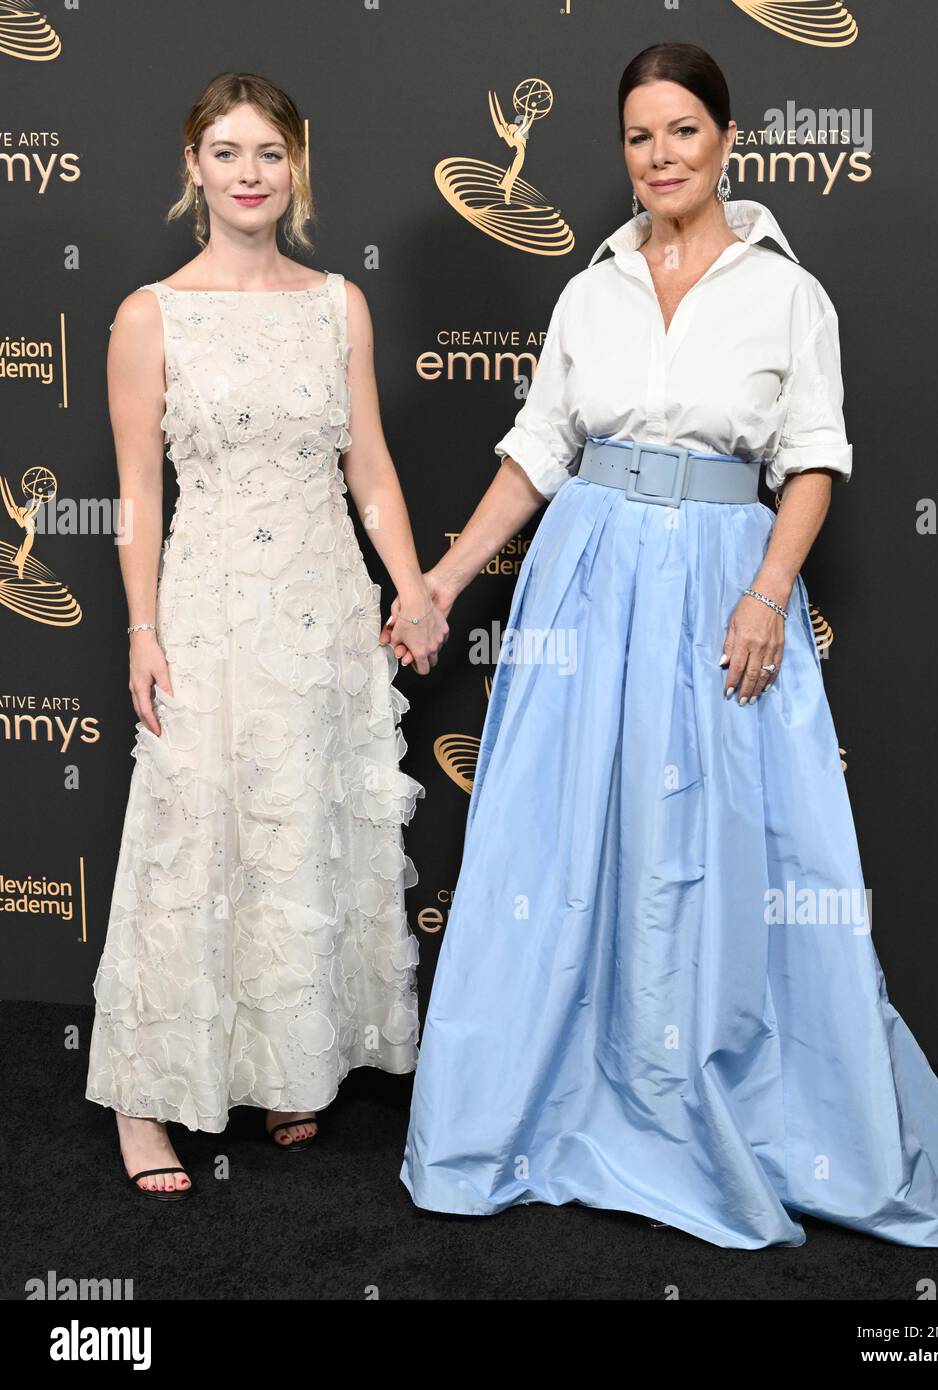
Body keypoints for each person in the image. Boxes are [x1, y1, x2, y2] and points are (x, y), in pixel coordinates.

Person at [394, 42, 938, 1248]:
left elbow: (813, 459)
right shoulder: (592, 287)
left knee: (724, 846)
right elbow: (534, 455)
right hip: (584, 584)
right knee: (562, 833)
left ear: (726, 137)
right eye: (636, 135)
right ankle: (545, 1097)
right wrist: (439, 581)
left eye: (680, 130)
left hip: (723, 583)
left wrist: (769, 595)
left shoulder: (786, 290)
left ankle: (723, 1095)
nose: (659, 155)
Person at [86, 72, 446, 1200]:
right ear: (192, 165)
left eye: (270, 155)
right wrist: (142, 628)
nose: (250, 175)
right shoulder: (150, 315)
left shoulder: (338, 302)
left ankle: (290, 1063)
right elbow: (137, 494)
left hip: (325, 607)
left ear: (297, 169)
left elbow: (369, 462)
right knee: (194, 837)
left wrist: (410, 586)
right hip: (206, 608)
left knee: (304, 830)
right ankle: (145, 1100)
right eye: (228, 152)